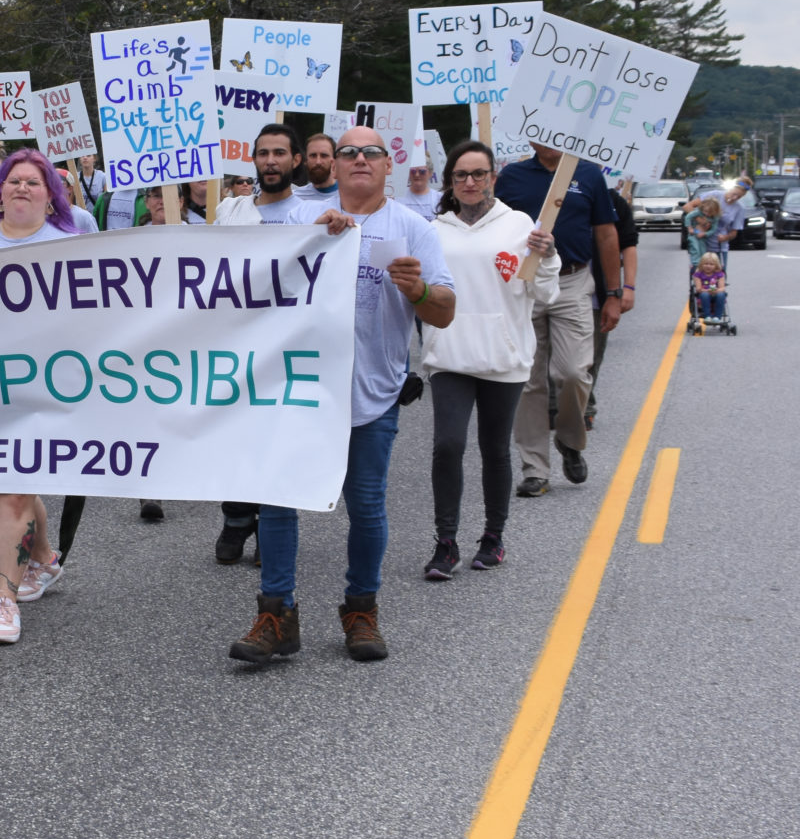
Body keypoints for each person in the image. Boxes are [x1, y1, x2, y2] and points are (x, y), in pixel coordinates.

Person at [229, 125, 456, 666]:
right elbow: (249, 293)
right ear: (335, 164)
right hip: (297, 389)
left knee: (367, 508)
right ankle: (276, 614)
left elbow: (445, 309)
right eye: (348, 151)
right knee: (279, 500)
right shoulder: (301, 218)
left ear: (387, 166)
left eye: (370, 152)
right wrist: (312, 240)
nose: (358, 159)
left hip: (371, 393)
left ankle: (361, 611)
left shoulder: (413, 228)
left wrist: (418, 289)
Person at [0, 149, 81, 644]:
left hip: (50, 387)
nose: (22, 189)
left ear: (51, 195)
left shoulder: (73, 245)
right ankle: (46, 560)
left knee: (12, 489)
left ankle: (4, 601)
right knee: (20, 484)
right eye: (14, 181)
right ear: (0, 191)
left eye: (34, 182)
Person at [421, 141, 558, 579]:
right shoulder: (433, 230)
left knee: (494, 450)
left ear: (493, 178)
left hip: (505, 357)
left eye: (478, 174)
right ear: (451, 182)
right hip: (450, 355)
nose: (470, 182)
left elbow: (544, 293)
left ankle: (493, 538)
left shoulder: (519, 226)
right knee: (448, 445)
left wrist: (548, 256)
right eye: (461, 175)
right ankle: (446, 542)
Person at [211, 123, 318, 561]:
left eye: (279, 153)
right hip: (236, 346)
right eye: (262, 153)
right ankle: (237, 518)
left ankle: (274, 525)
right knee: (235, 437)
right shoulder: (231, 212)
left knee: (279, 440)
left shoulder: (313, 217)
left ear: (296, 160)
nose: (270, 161)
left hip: (288, 348)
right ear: (253, 160)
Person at [493, 145, 622, 498]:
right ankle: (535, 468)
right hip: (525, 281)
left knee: (572, 372)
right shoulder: (512, 178)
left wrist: (614, 292)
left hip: (573, 280)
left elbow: (606, 234)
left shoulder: (589, 174)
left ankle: (569, 439)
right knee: (529, 379)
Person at [582, 177, 640, 433]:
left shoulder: (613, 201)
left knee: (590, 356)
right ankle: (552, 404)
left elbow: (628, 245)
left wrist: (627, 288)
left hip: (600, 292)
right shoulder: (554, 197)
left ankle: (584, 407)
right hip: (557, 289)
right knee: (552, 355)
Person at [291, 133, 340, 202]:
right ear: (305, 160)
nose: (318, 162)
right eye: (313, 156)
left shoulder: (348, 196)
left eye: (324, 155)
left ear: (334, 160)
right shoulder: (296, 198)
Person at [692, 252, 727, 324]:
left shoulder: (720, 274)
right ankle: (707, 316)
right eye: (706, 264)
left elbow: (722, 288)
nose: (708, 266)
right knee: (705, 295)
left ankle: (717, 317)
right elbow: (698, 289)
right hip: (703, 294)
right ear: (701, 264)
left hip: (716, 293)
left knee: (721, 295)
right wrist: (707, 290)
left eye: (711, 264)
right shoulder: (698, 274)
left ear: (716, 265)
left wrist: (715, 291)